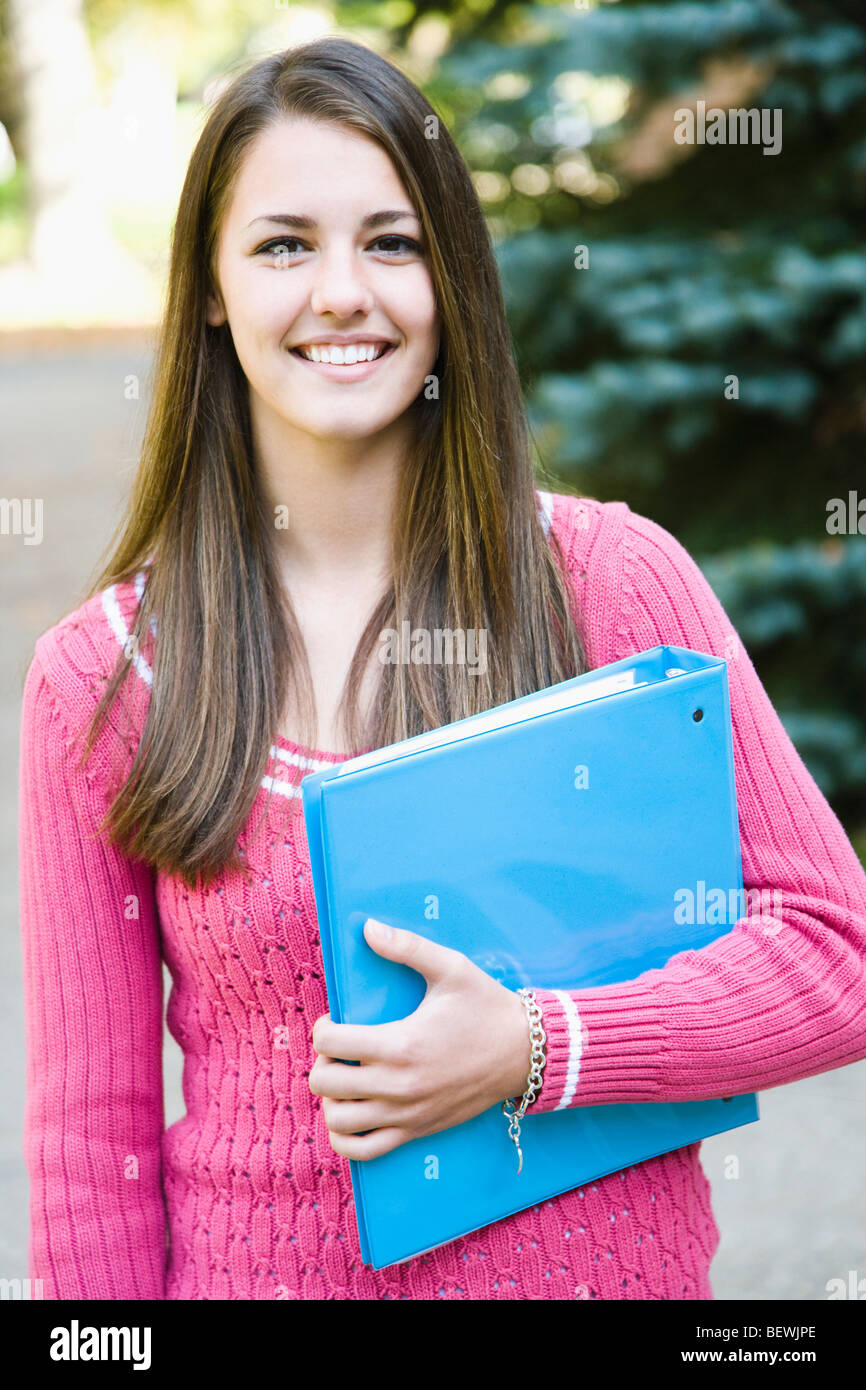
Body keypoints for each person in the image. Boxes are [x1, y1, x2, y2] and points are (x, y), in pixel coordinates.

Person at [18, 37, 866, 1302]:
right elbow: (94, 1145)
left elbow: (829, 946)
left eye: (392, 242)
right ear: (210, 287)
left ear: (450, 277)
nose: (342, 293)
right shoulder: (100, 677)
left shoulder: (605, 580)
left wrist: (537, 1045)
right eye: (283, 244)